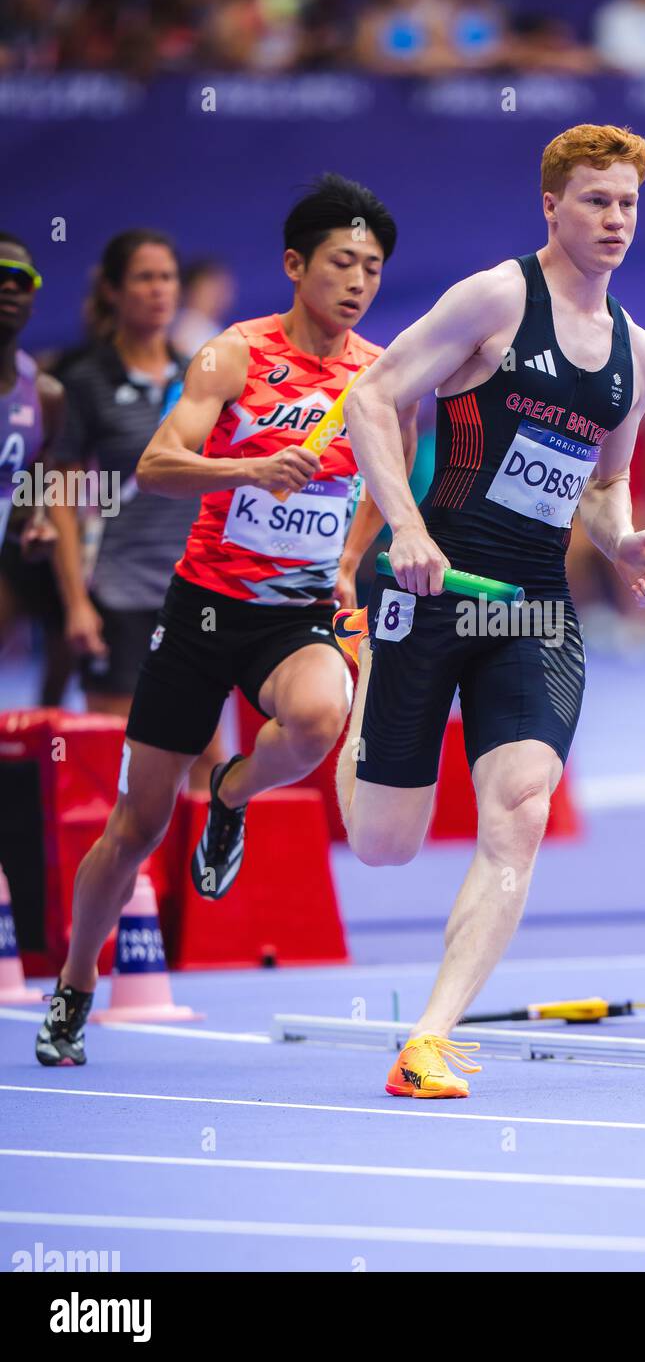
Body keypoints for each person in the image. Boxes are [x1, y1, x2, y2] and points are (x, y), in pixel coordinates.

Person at [35, 174, 411, 1068]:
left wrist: (352, 563)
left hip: (296, 614)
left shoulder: (379, 373)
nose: (358, 281)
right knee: (138, 825)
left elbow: (384, 485)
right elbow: (160, 465)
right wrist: (248, 472)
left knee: (321, 719)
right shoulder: (231, 357)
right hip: (203, 610)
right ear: (294, 265)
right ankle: (77, 984)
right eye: (340, 263)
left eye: (372, 268)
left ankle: (234, 793)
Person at [333, 123, 645, 1098]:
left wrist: (624, 539)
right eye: (597, 201)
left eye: (628, 205)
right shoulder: (495, 298)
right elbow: (373, 396)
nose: (616, 220)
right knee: (385, 844)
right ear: (551, 207)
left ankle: (428, 1038)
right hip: (433, 586)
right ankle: (364, 681)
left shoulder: (637, 355)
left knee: (518, 809)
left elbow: (605, 488)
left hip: (530, 603)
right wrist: (404, 530)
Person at [47, 230, 198, 728]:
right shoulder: (86, 382)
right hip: (117, 596)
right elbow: (62, 502)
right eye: (144, 278)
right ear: (113, 290)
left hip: (193, 592)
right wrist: (76, 605)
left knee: (202, 755)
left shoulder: (201, 375)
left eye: (168, 278)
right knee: (120, 750)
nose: (159, 290)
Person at [0, 233, 68, 703]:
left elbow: (33, 493)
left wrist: (38, 524)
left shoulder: (45, 394)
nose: (8, 288)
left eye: (20, 280)